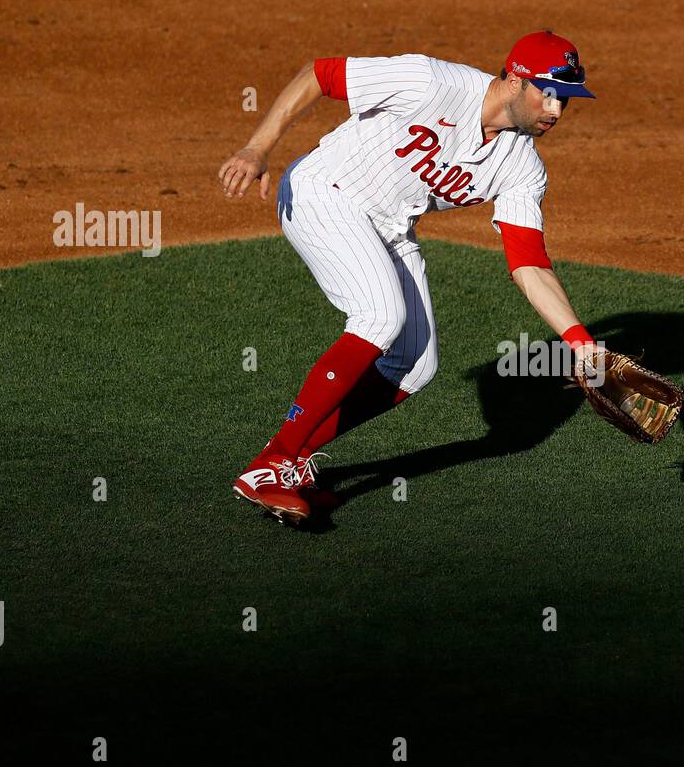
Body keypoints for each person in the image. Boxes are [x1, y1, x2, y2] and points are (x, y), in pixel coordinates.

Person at [217, 30, 601, 524]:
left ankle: (289, 457)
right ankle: (269, 466)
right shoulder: (431, 82)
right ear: (513, 79)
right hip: (324, 193)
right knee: (380, 316)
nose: (555, 110)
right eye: (548, 93)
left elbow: (527, 261)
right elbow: (320, 73)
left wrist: (579, 340)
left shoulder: (522, 167)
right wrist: (258, 147)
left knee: (415, 366)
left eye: (566, 100)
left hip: (390, 228)